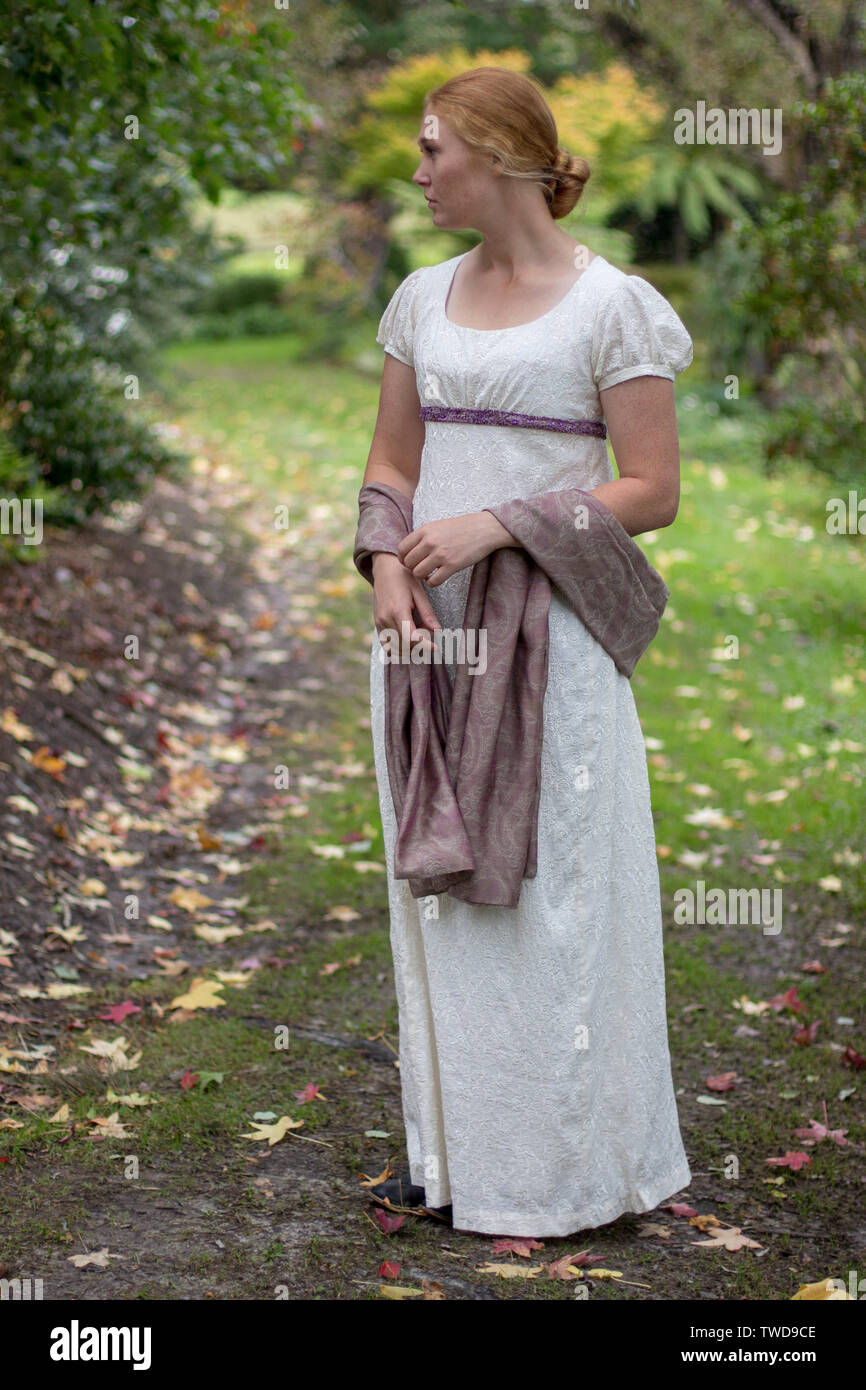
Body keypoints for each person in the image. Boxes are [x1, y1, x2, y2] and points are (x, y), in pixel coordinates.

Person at [359, 65, 693, 1238]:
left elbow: (651, 488)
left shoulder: (613, 306)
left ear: (498, 155)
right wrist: (387, 561)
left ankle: (564, 1172)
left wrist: (500, 521)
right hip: (427, 638)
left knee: (556, 902)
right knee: (439, 904)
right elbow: (391, 468)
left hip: (552, 645)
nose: (418, 172)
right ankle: (449, 1158)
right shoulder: (418, 296)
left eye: (433, 150)